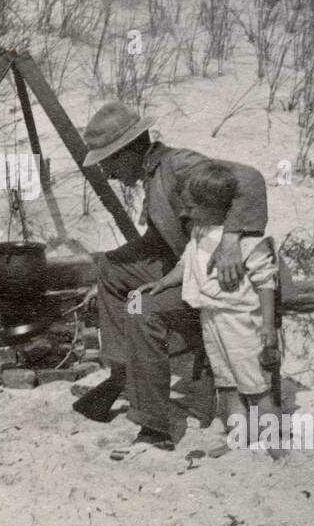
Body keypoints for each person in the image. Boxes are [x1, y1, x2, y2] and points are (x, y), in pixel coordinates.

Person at [74, 101, 268, 451]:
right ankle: (125, 372)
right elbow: (168, 233)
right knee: (110, 268)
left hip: (217, 279)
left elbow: (250, 180)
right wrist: (119, 259)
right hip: (186, 264)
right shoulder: (153, 175)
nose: (108, 173)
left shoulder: (180, 165)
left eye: (109, 162)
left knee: (139, 310)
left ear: (130, 151)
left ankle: (155, 427)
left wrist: (230, 240)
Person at [139, 162, 282, 456]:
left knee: (256, 387)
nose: (184, 213)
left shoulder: (248, 242)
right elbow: (186, 265)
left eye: (191, 207)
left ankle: (276, 446)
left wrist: (268, 326)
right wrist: (163, 283)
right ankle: (239, 440)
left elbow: (267, 283)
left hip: (242, 322)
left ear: (214, 207)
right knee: (227, 384)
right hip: (211, 318)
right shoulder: (200, 233)